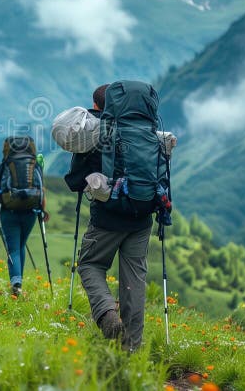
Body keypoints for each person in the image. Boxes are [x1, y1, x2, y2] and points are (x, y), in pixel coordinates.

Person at [65, 83, 172, 352]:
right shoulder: (149, 133)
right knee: (134, 279)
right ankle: (131, 349)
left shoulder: (97, 134)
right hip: (142, 215)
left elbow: (75, 181)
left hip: (107, 218)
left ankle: (107, 315)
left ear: (101, 107)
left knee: (90, 264)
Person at [0, 136, 48, 297]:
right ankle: (19, 281)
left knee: (14, 248)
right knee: (21, 244)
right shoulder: (35, 163)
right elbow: (41, 190)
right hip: (31, 211)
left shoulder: (5, 164)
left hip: (9, 211)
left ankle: (16, 283)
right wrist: (43, 210)